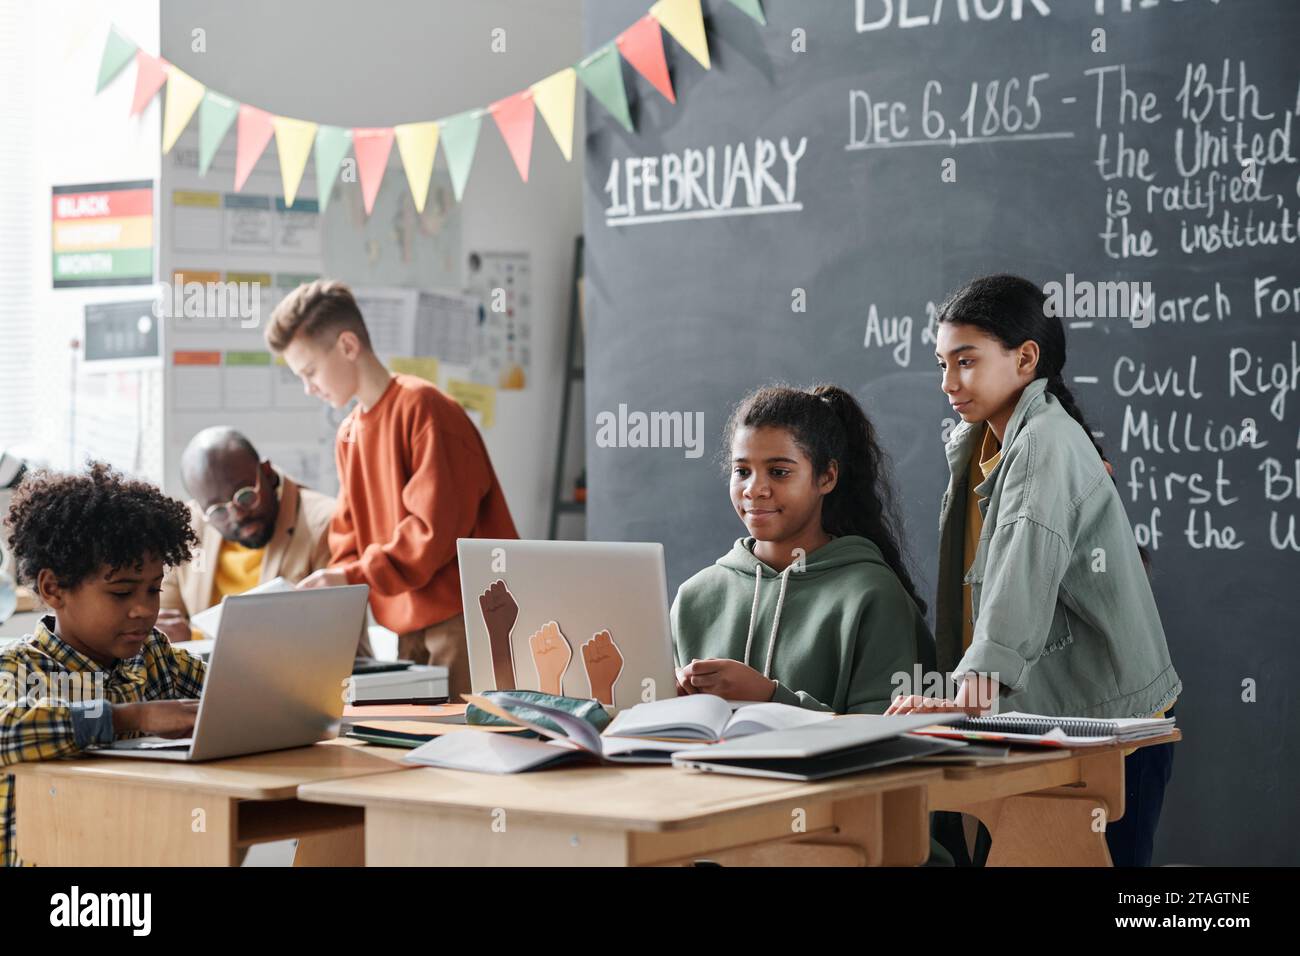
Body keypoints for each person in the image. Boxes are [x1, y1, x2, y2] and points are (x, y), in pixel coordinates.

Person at [889, 273, 1180, 867]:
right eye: (942, 364)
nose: (948, 383)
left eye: (965, 362)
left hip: (1113, 730)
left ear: (1026, 358)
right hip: (1047, 720)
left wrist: (964, 694)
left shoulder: (1045, 441)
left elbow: (1022, 569)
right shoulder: (979, 444)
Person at [265, 279, 518, 701]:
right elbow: (347, 535)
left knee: (463, 750)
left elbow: (432, 533)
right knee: (416, 752)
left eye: (309, 372)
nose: (309, 387)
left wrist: (350, 575)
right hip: (405, 624)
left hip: (465, 618)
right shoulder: (348, 434)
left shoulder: (425, 409)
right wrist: (335, 582)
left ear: (348, 346)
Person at [0, 462, 205, 866]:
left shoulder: (155, 659)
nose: (144, 609)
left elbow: (231, 696)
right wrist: (129, 717)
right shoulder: (18, 668)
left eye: (153, 589)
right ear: (53, 588)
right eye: (121, 593)